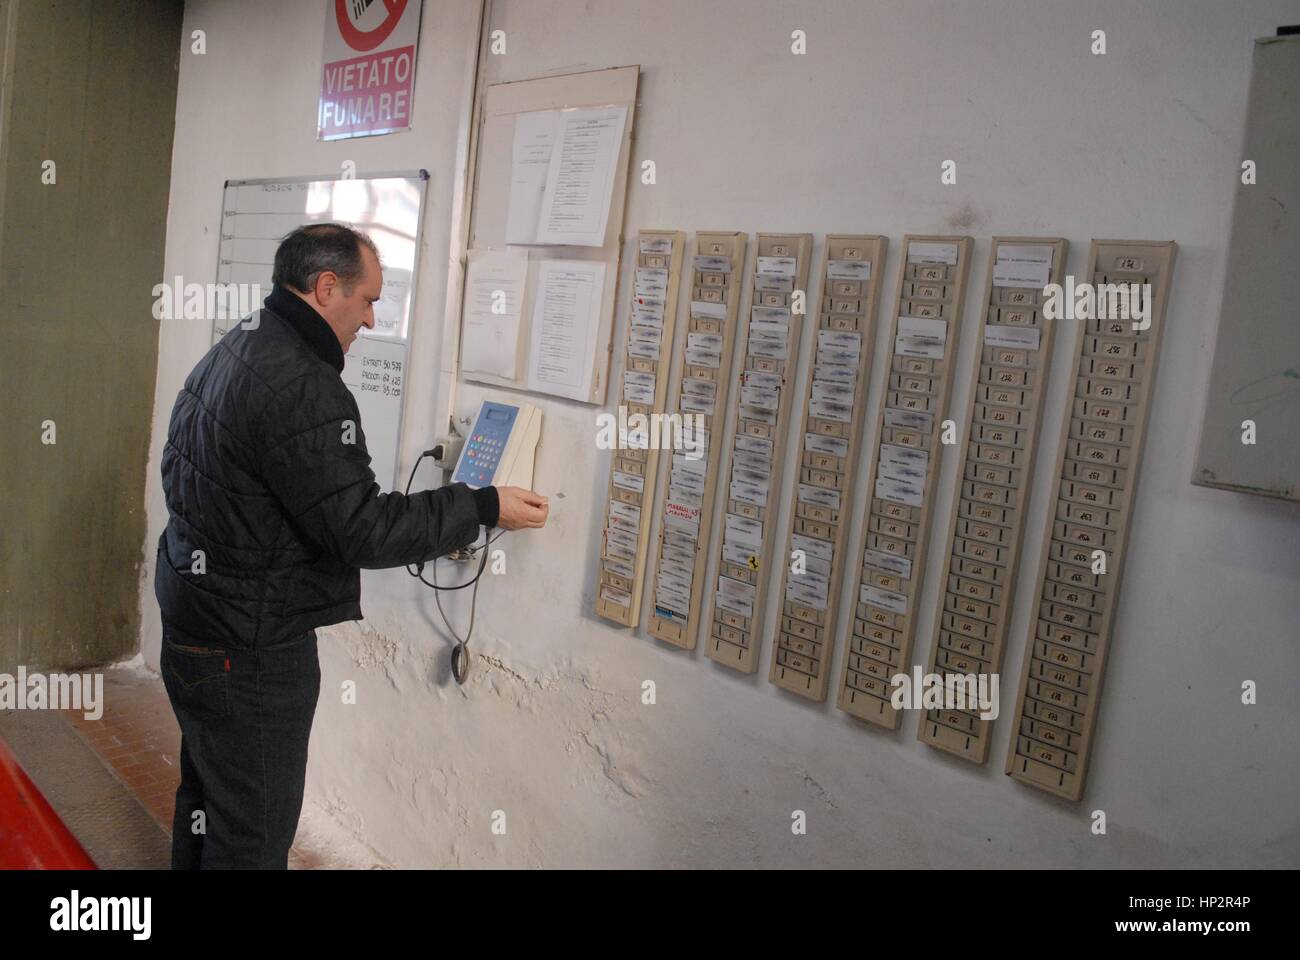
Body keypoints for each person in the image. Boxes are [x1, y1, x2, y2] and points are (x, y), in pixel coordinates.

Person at [154, 223, 548, 868]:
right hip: (247, 643)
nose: (371, 319)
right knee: (250, 832)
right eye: (367, 300)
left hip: (197, 614)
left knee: (208, 799)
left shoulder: (242, 343)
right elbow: (361, 529)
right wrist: (480, 504)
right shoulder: (303, 384)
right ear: (325, 287)